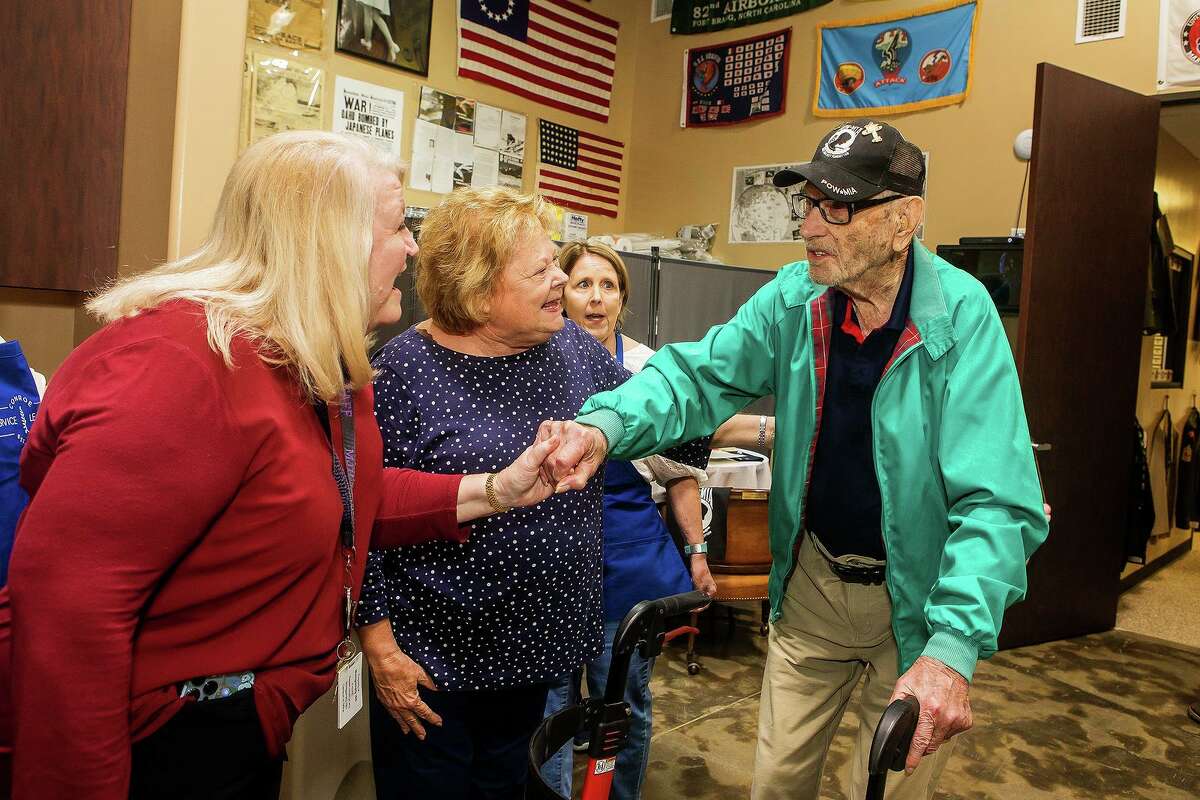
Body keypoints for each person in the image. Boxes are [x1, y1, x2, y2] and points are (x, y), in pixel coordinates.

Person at [0, 131, 565, 800]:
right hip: (162, 741)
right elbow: (68, 617)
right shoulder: (179, 364)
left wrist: (500, 490)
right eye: (396, 226)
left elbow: (348, 499)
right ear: (332, 239)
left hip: (244, 726)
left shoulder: (312, 363)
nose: (412, 249)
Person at [539, 120, 1050, 800]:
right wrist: (602, 427)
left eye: (835, 207)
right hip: (812, 588)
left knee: (891, 790)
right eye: (807, 204)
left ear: (904, 222)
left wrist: (951, 650)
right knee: (776, 785)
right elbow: (695, 377)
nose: (810, 226)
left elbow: (997, 500)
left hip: (920, 600)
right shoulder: (794, 297)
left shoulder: (962, 317)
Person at [355, 187, 708, 800]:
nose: (561, 282)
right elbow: (360, 522)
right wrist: (379, 646)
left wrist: (759, 421)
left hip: (538, 651)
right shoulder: (399, 374)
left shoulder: (569, 347)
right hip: (433, 664)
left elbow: (654, 420)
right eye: (542, 270)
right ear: (478, 289)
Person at [540, 240, 717, 800]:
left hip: (627, 556)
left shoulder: (649, 371)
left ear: (623, 298)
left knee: (625, 701)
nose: (596, 299)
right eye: (582, 285)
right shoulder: (533, 358)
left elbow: (682, 470)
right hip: (555, 559)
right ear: (559, 294)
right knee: (553, 707)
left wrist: (696, 551)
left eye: (608, 286)